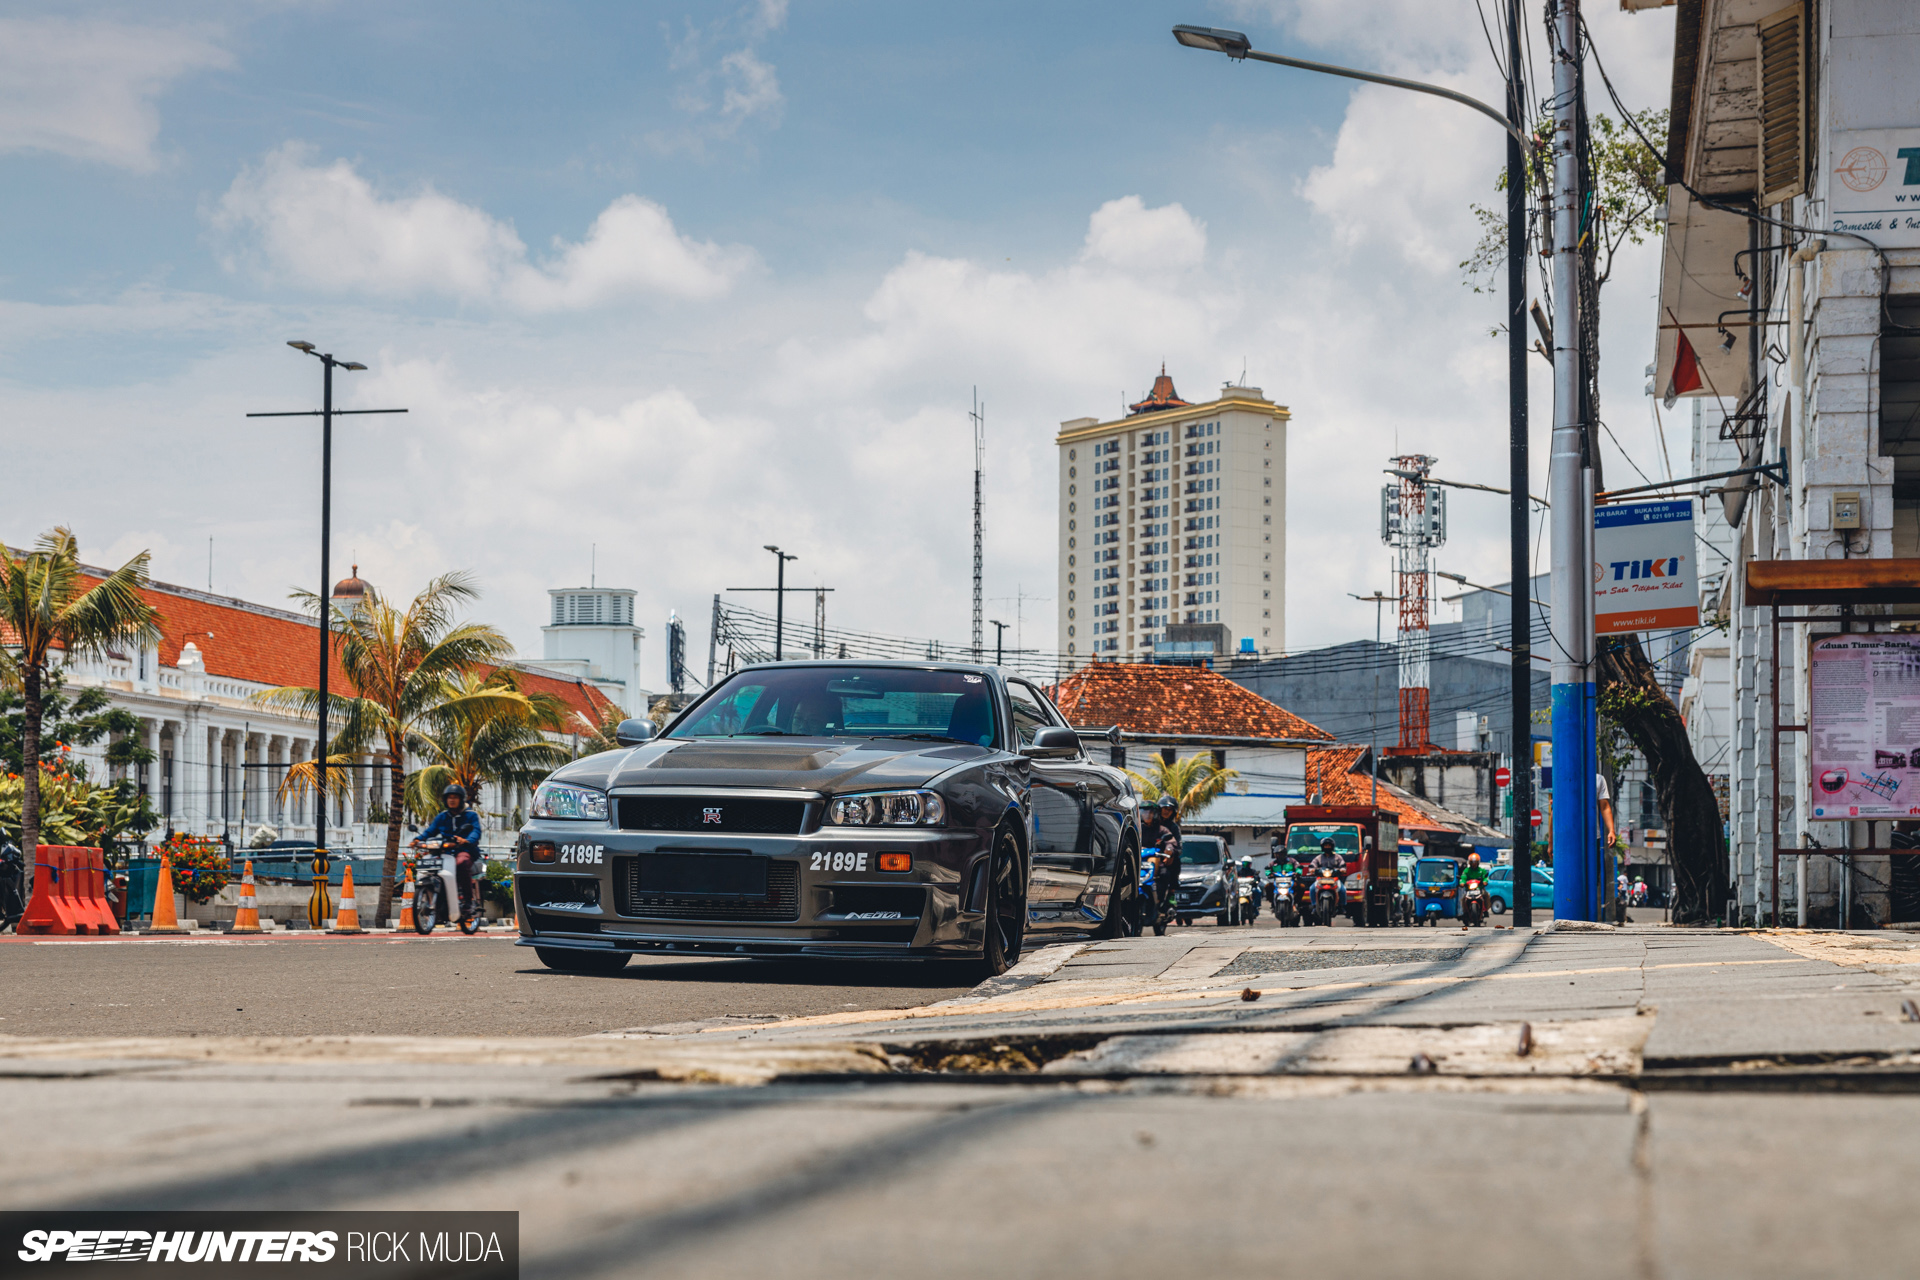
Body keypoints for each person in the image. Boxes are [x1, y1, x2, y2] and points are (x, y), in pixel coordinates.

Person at [412, 783, 482, 923]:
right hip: (445, 851)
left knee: (461, 863)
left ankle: (468, 902)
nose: (452, 800)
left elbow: (476, 831)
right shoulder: (442, 817)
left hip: (464, 850)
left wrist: (466, 840)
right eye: (449, 797)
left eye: (455, 797)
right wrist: (418, 839)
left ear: (461, 799)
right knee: (430, 865)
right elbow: (430, 831)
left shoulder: (471, 815)